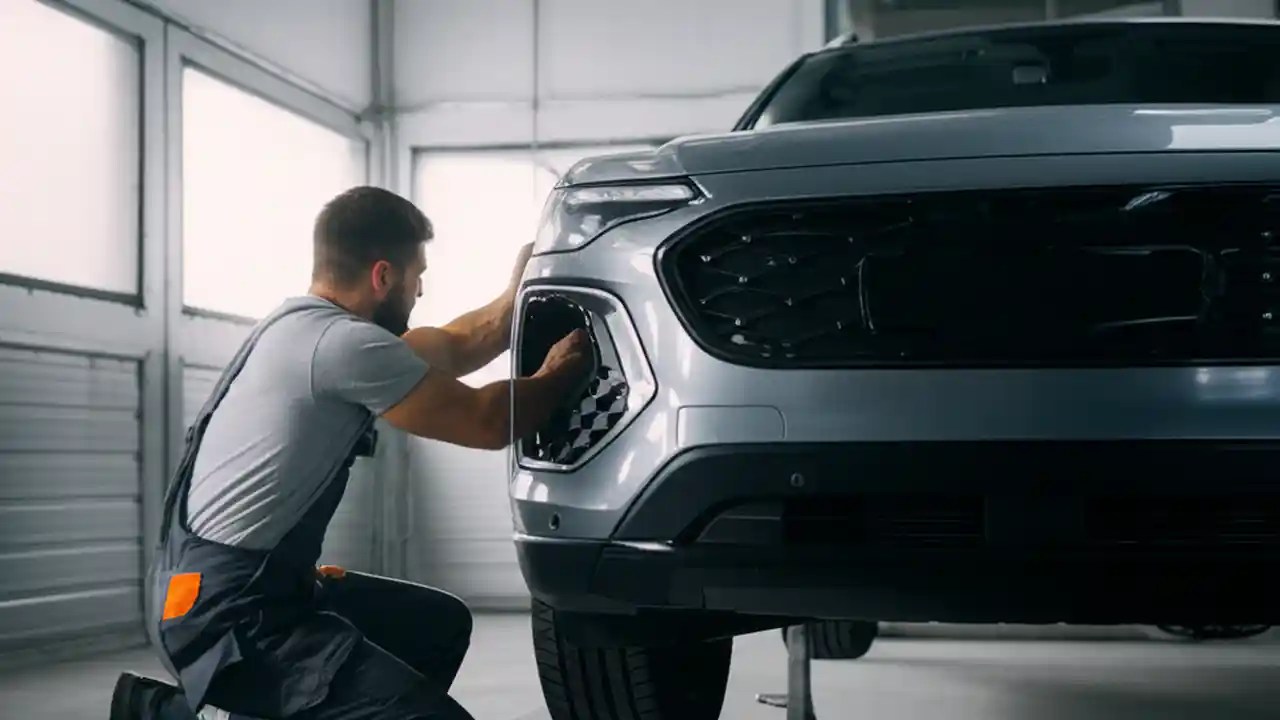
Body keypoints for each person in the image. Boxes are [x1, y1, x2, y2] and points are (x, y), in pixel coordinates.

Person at [109, 186, 590, 719]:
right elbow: (488, 421)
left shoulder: (309, 329)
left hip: (234, 589)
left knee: (434, 624)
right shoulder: (340, 347)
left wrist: (523, 282)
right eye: (417, 275)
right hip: (230, 613)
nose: (422, 290)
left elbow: (459, 342)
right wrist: (561, 370)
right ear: (383, 275)